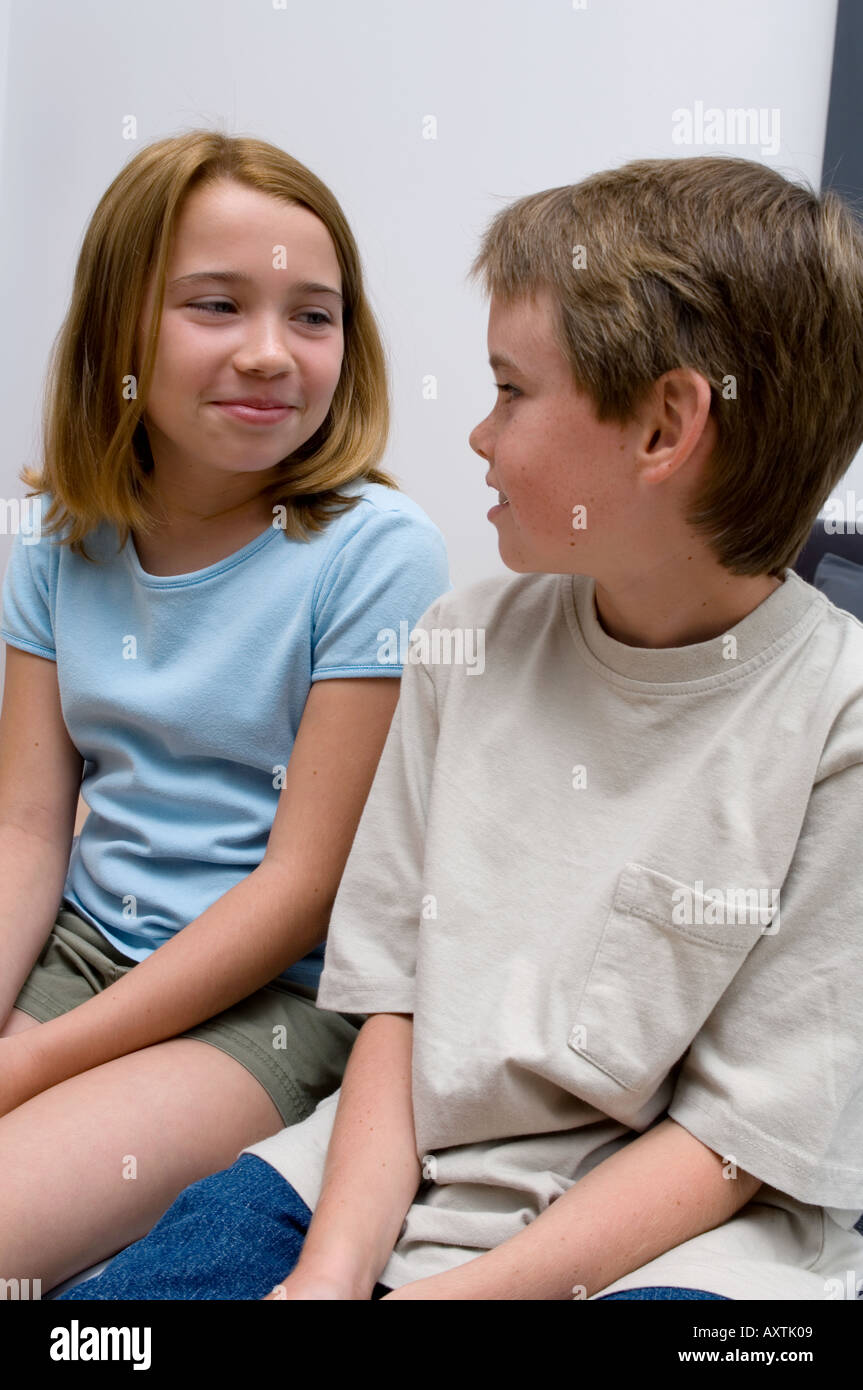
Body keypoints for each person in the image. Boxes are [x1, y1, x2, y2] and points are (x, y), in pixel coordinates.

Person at [61, 155, 863, 1302]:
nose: (477, 440)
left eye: (508, 391)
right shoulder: (459, 641)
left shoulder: (837, 722)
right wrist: (334, 1271)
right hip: (373, 1173)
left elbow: (737, 1141)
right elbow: (391, 1000)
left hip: (680, 1249)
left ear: (664, 428)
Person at [0, 128, 450, 1294]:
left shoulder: (374, 554)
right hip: (82, 947)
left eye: (312, 315)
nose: (270, 353)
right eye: (215, 305)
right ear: (119, 333)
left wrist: (36, 1058)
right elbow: (26, 829)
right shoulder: (54, 541)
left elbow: (298, 890)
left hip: (269, 1004)